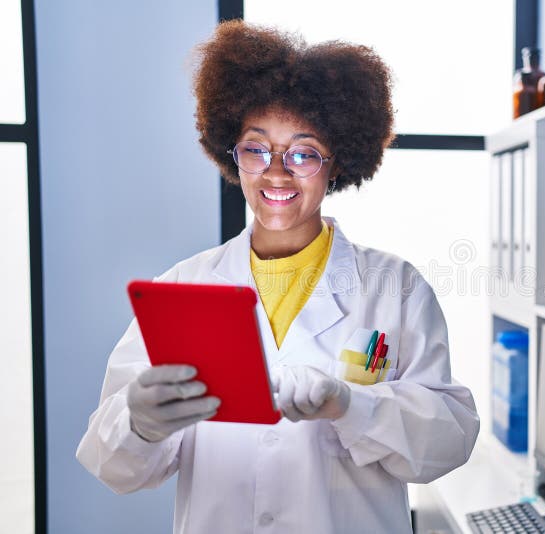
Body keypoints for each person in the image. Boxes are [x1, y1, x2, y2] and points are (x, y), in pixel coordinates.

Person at [76, 20, 480, 534]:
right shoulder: (185, 286)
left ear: (336, 164)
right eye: (255, 148)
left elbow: (449, 442)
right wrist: (139, 423)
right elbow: (114, 465)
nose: (276, 172)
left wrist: (352, 404)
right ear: (232, 154)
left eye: (304, 153)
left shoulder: (393, 288)